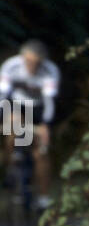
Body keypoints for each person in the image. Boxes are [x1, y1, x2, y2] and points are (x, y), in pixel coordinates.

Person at [0, 38, 61, 209]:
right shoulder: (11, 66)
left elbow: (50, 101)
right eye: (28, 61)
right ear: (22, 58)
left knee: (41, 152)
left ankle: (43, 197)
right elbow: (2, 95)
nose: (31, 66)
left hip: (39, 109)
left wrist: (45, 126)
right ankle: (11, 165)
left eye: (36, 63)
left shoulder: (50, 71)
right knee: (11, 130)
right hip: (16, 106)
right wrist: (5, 115)